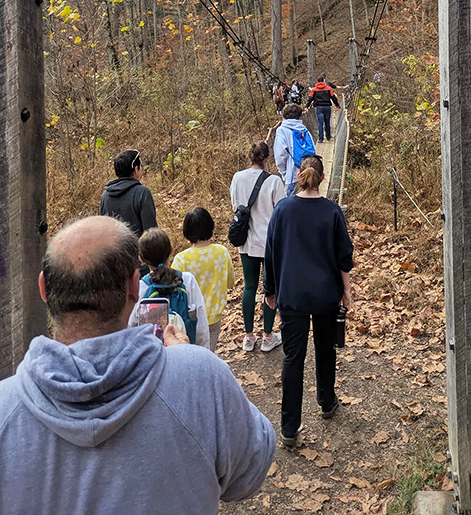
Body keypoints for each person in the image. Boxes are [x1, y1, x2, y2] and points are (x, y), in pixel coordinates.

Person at [0, 216, 275, 515]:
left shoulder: (5, 408)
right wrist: (189, 359)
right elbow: (250, 472)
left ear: (43, 288)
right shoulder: (200, 376)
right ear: (134, 287)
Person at [264, 154, 354, 447]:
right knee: (325, 349)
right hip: (326, 294)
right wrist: (346, 291)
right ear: (323, 177)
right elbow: (344, 257)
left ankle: (289, 427)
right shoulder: (331, 211)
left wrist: (270, 289)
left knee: (293, 357)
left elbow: (270, 252)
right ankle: (326, 401)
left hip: (292, 294)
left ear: (299, 176)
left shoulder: (282, 210)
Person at [230, 142, 287, 352]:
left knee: (249, 286)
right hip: (269, 243)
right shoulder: (274, 181)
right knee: (269, 288)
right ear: (266, 159)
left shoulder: (237, 178)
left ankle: (248, 336)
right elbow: (282, 211)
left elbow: (235, 206)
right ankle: (268, 336)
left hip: (246, 241)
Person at [128, 227, 211, 349]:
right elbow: (201, 326)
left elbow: (131, 326)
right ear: (171, 250)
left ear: (141, 258)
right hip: (185, 349)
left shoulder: (141, 287)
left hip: (154, 354)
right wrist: (203, 351)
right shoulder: (187, 280)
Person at [172, 207, 236, 352]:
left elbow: (174, 291)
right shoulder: (222, 252)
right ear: (210, 227)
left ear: (187, 230)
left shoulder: (181, 259)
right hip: (214, 316)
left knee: (190, 353)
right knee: (209, 352)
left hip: (189, 316)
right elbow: (230, 282)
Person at [100, 148, 157, 237]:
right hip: (137, 245)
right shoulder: (142, 193)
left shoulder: (105, 195)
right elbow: (151, 232)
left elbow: (103, 230)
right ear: (136, 169)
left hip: (114, 246)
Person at [273, 103, 316, 194]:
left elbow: (280, 155)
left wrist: (284, 173)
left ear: (284, 116)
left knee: (290, 201)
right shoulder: (304, 130)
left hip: (292, 174)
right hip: (309, 174)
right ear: (300, 116)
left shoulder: (281, 130)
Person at [306, 74, 340, 143]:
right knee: (327, 122)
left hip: (319, 107)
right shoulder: (328, 88)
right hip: (327, 107)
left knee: (320, 123)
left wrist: (306, 107)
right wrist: (337, 105)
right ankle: (328, 136)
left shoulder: (314, 89)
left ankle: (321, 138)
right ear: (323, 81)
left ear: (317, 81)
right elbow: (333, 97)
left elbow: (310, 98)